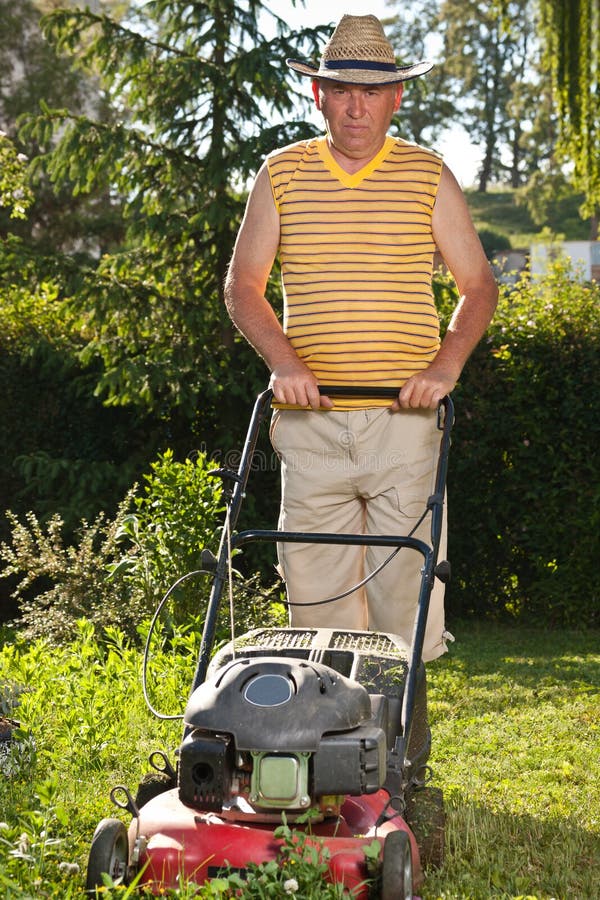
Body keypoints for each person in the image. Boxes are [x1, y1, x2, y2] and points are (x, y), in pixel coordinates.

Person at [224, 14, 498, 661]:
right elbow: (243, 285)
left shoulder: (428, 176)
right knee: (316, 610)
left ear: (396, 96)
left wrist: (446, 367)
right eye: (341, 91)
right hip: (311, 424)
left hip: (405, 425)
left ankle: (403, 757)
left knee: (410, 602)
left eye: (371, 92)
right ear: (317, 94)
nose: (355, 106)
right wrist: (284, 360)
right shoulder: (282, 174)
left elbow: (479, 285)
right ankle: (325, 753)